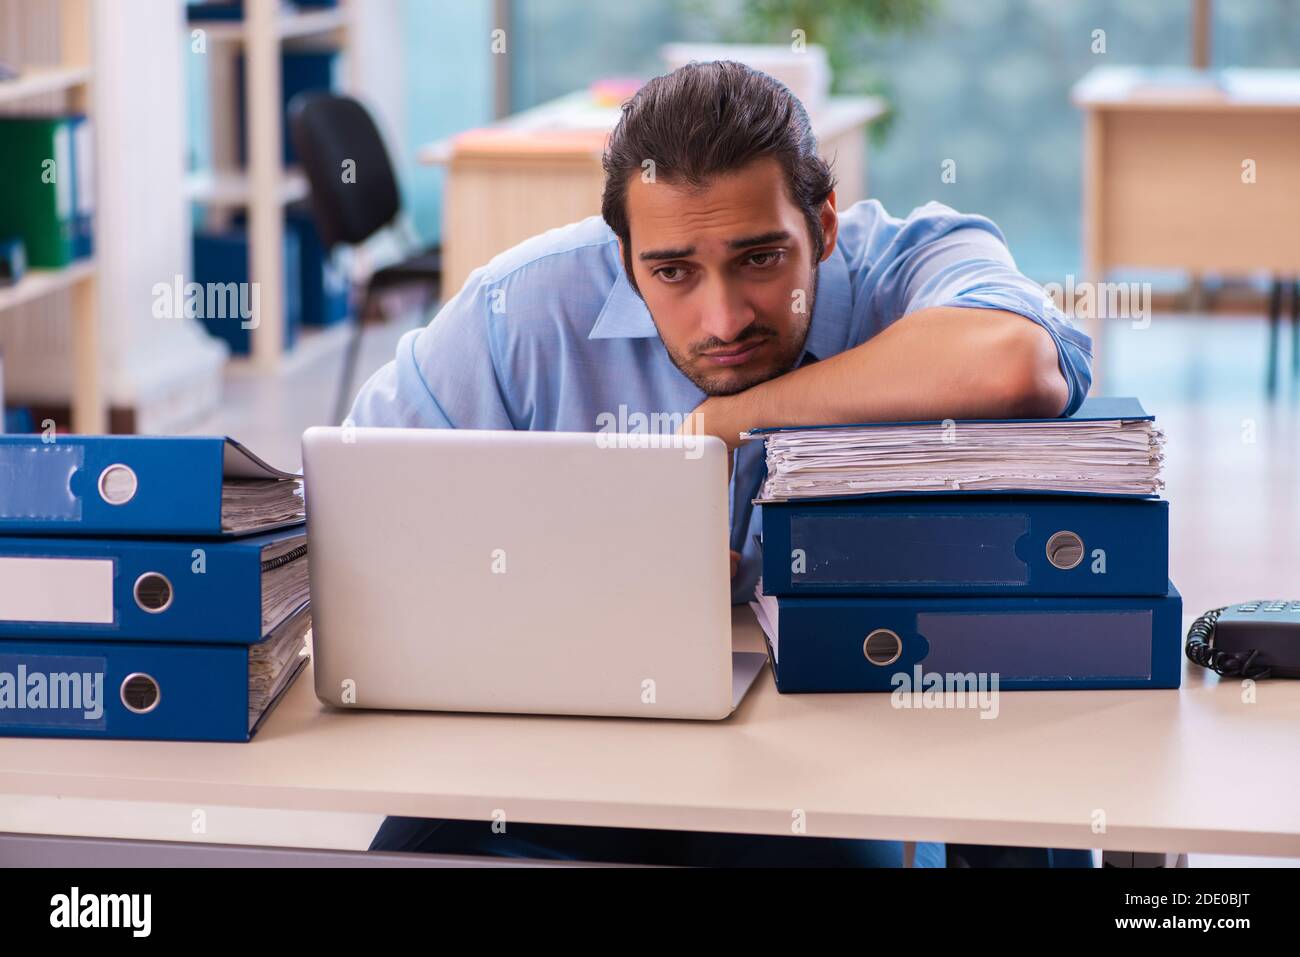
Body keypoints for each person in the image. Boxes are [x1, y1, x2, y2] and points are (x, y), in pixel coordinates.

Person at [351, 60, 1093, 867]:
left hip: (843, 749)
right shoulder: (520, 308)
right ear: (625, 255)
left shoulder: (912, 261)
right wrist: (565, 578)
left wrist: (732, 417)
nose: (724, 317)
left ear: (825, 225)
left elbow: (1015, 365)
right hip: (568, 743)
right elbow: (359, 512)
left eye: (761, 259)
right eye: (672, 271)